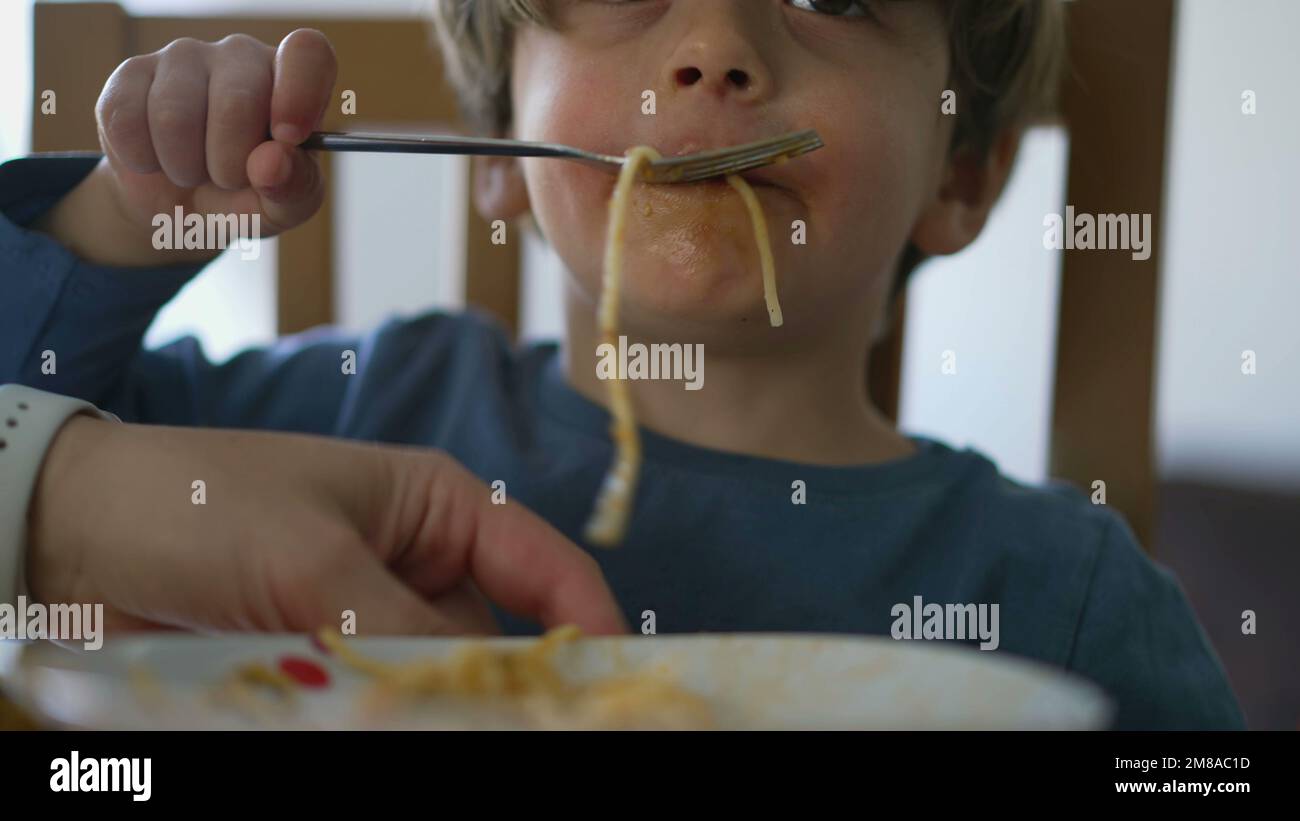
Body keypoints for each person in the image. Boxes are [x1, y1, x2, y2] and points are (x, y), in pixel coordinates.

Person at [0, 1, 1243, 729]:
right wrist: (118, 225)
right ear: (497, 148)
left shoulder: (1067, 597)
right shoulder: (326, 422)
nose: (714, 43)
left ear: (960, 177)